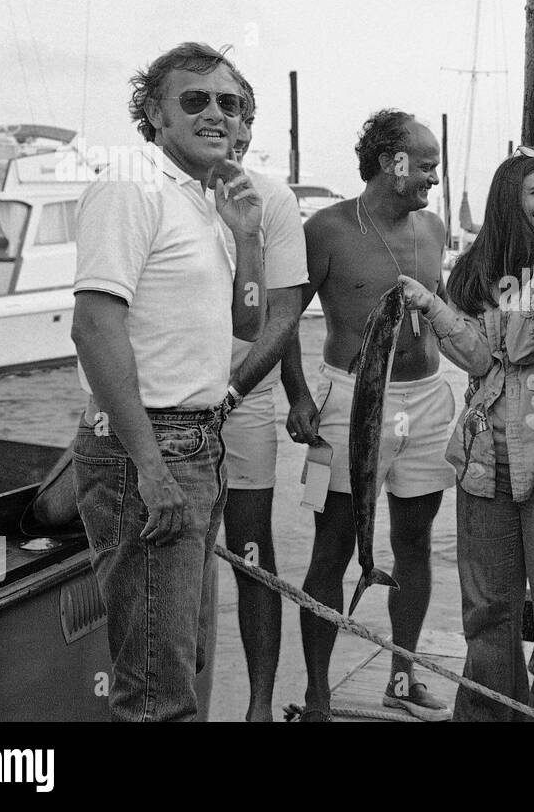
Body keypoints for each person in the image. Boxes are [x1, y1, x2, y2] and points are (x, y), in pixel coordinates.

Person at [72, 42, 264, 721]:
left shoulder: (202, 200)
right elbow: (94, 328)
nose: (217, 113)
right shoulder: (133, 183)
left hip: (198, 442)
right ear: (153, 112)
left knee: (180, 663)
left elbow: (247, 322)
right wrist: (150, 468)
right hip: (150, 447)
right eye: (196, 99)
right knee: (157, 687)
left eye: (229, 103)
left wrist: (249, 238)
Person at [402, 150, 534, 722]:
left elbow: (518, 348)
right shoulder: (470, 274)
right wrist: (436, 306)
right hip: (486, 460)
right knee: (488, 611)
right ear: (508, 197)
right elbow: (480, 358)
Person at [283, 110, 453, 722]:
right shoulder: (326, 229)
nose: (434, 176)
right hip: (350, 401)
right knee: (331, 550)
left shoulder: (433, 228)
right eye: (426, 164)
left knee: (415, 542)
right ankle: (319, 697)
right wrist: (299, 396)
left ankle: (401, 679)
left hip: (429, 398)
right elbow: (282, 321)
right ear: (390, 161)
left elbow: (450, 316)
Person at [218, 88, 309, 722]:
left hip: (241, 393)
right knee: (166, 544)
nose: (232, 128)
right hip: (160, 396)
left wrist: (235, 391)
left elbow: (281, 315)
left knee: (251, 549)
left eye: (245, 116)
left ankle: (257, 707)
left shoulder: (273, 198)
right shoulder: (148, 190)